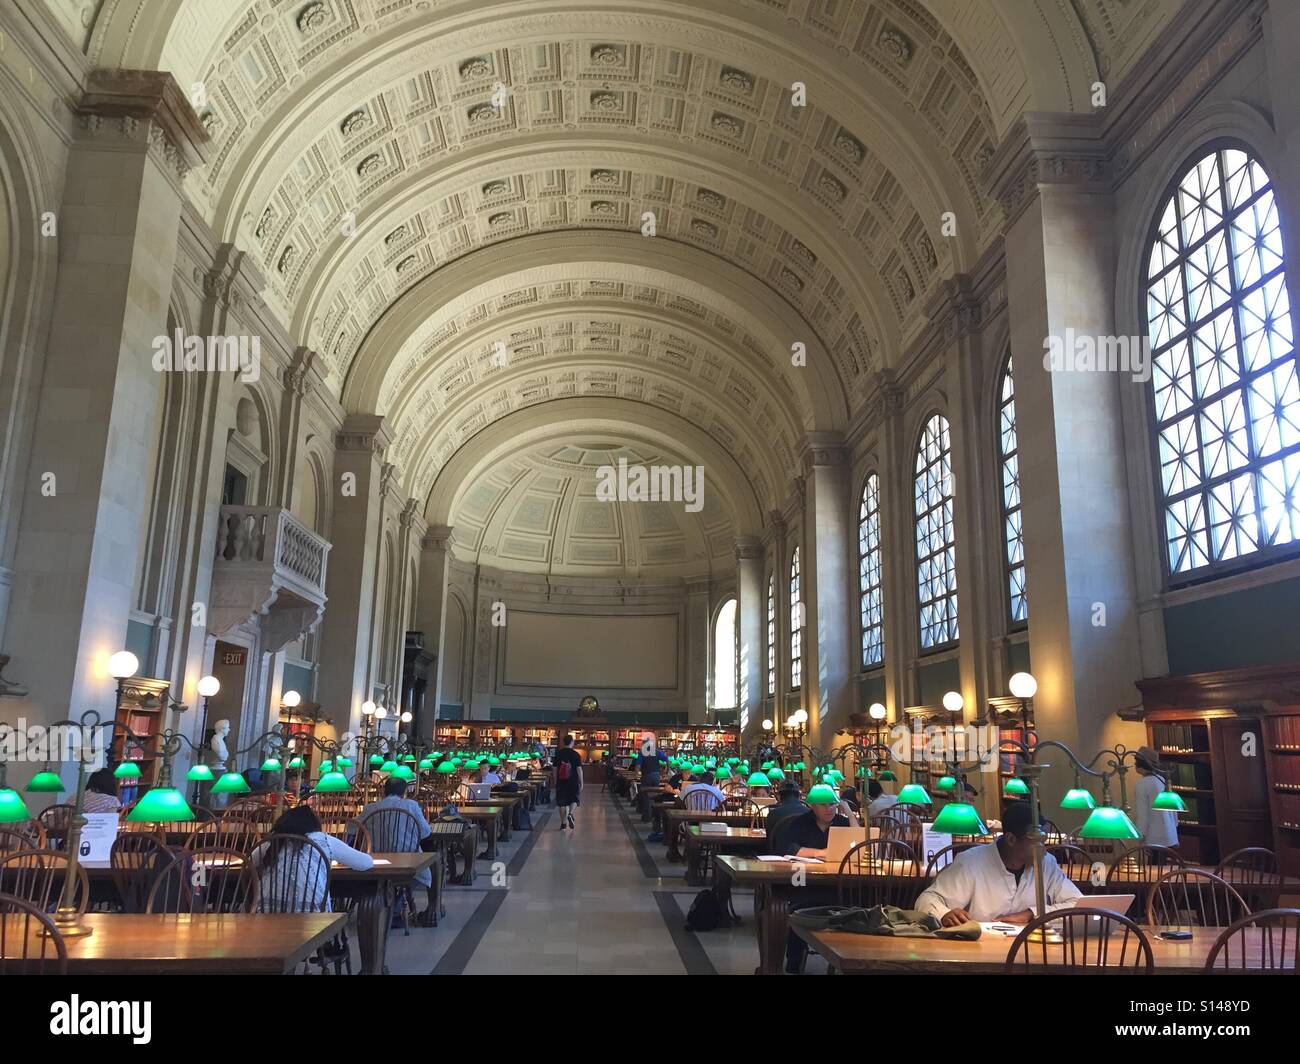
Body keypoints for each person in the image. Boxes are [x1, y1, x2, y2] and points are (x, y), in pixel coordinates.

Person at [915, 800, 1081, 926]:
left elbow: (1078, 903)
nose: (1043, 849)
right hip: (980, 953)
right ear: (1011, 839)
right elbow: (927, 899)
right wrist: (944, 913)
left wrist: (1031, 913)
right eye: (1035, 841)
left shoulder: (1046, 864)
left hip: (1032, 952)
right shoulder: (971, 863)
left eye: (1043, 840)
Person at [251, 804, 373, 912]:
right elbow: (365, 863)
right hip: (313, 916)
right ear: (314, 824)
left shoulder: (273, 841)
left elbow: (250, 861)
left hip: (268, 914)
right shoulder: (324, 840)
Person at [770, 783, 850, 859]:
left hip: (840, 870)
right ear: (812, 806)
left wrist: (849, 813)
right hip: (807, 871)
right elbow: (786, 847)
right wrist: (820, 853)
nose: (828, 809)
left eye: (831, 804)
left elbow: (859, 843)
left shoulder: (842, 822)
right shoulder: (800, 822)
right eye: (822, 804)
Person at [1132, 746, 1179, 852]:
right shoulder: (1163, 780)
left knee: (1153, 868)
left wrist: (1141, 835)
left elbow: (1142, 814)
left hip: (1153, 837)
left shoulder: (1142, 784)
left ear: (1140, 764)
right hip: (1170, 836)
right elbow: (1173, 810)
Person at [554, 734, 583, 831]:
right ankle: (570, 814)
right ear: (572, 742)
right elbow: (579, 770)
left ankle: (563, 823)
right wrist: (581, 782)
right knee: (574, 799)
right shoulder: (576, 754)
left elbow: (555, 769)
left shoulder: (558, 754)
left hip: (561, 781)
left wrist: (555, 781)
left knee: (562, 802)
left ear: (563, 742)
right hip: (573, 781)